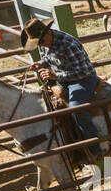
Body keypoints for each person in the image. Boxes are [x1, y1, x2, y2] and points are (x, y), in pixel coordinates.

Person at [19, 17, 100, 165]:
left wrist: (54, 75)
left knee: (77, 109)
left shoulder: (68, 44)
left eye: (41, 42)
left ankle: (94, 148)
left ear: (48, 33)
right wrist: (40, 64)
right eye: (38, 43)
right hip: (63, 80)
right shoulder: (43, 43)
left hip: (82, 80)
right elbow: (47, 59)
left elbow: (83, 71)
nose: (40, 45)